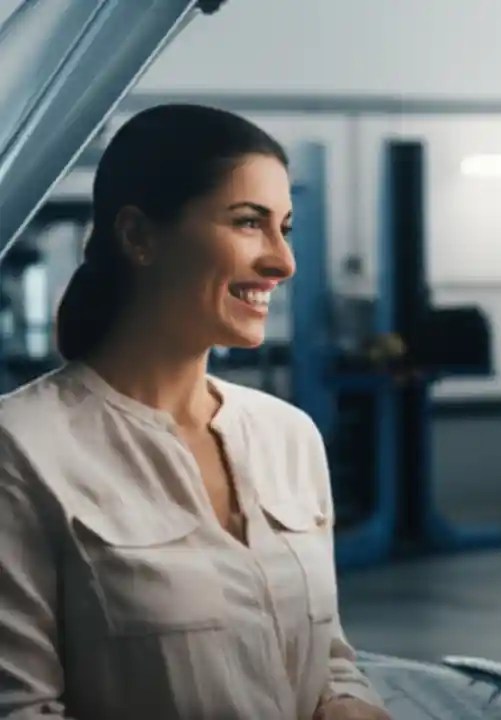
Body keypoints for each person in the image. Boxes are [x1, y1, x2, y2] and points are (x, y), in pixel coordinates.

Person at [0, 104, 389, 720]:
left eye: (285, 228)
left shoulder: (289, 436)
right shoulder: (21, 448)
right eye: (248, 223)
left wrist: (347, 701)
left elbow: (329, 655)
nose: (283, 262)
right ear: (139, 237)